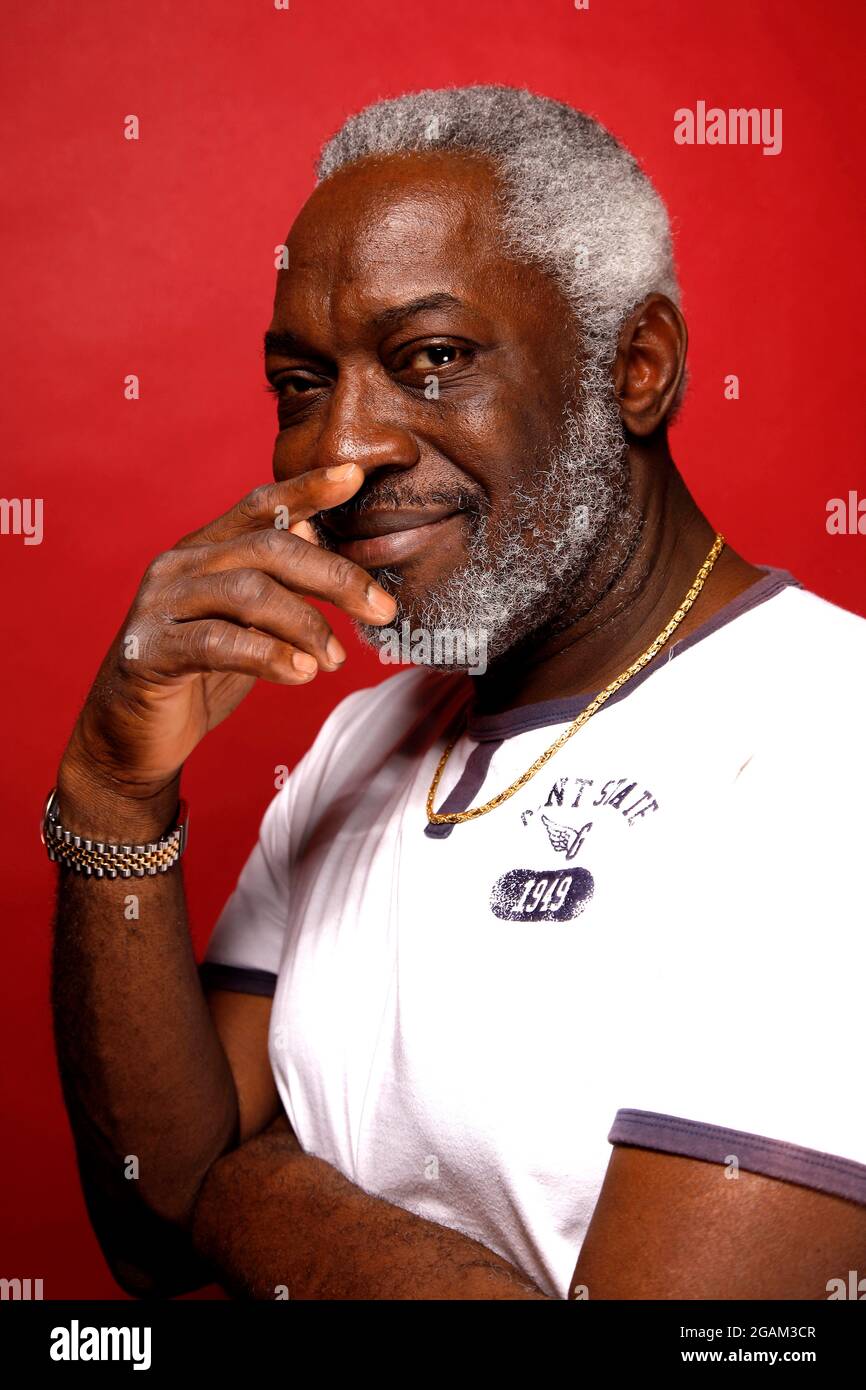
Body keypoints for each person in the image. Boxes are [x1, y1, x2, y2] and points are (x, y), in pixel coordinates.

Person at [49, 85, 866, 1301]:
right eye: (300, 382)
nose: (344, 448)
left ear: (632, 368)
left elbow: (197, 1187)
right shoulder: (357, 740)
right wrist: (113, 792)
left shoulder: (822, 735)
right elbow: (146, 1223)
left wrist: (247, 1185)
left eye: (430, 359)